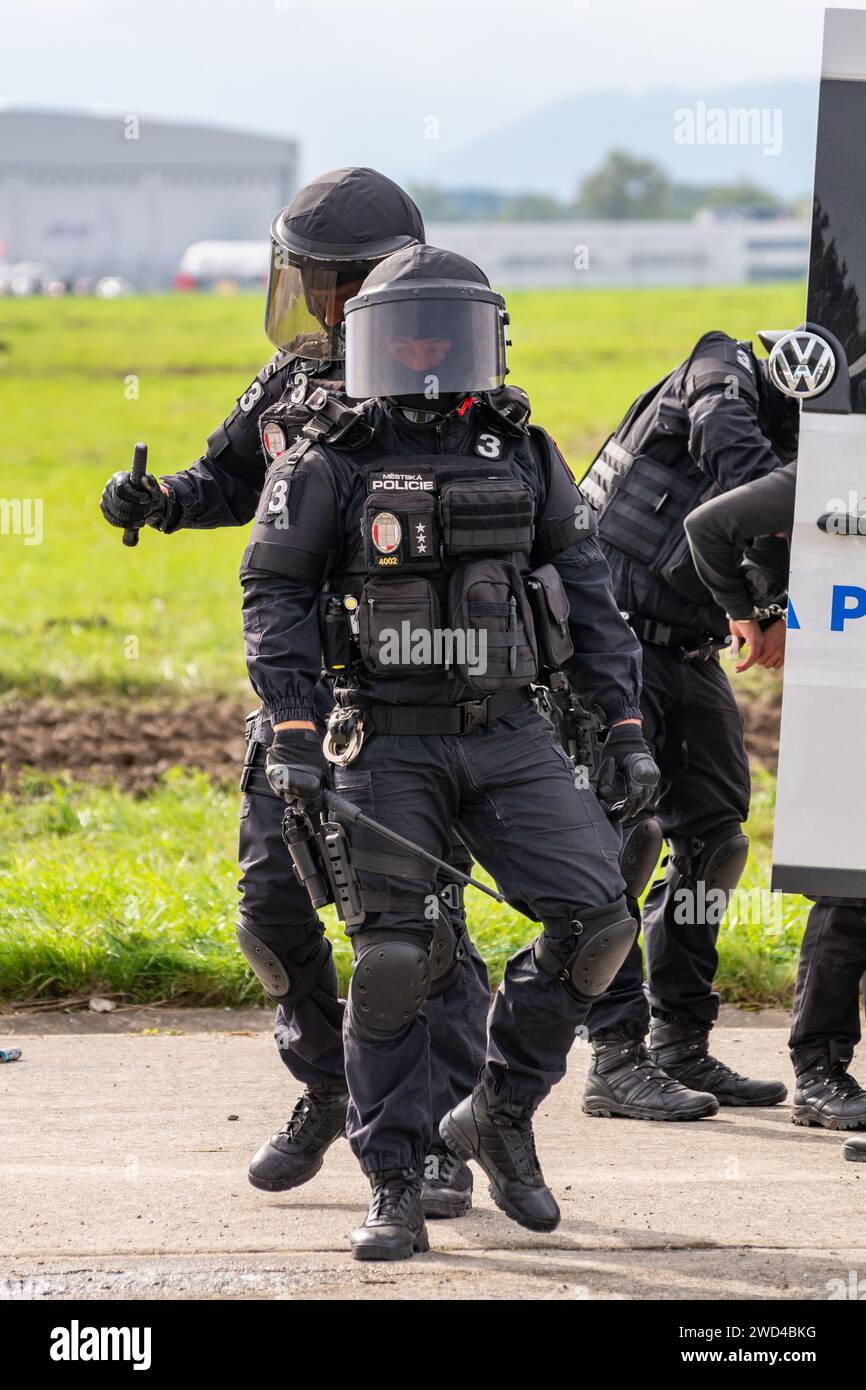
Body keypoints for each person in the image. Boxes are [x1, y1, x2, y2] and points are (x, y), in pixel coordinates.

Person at [242, 243, 660, 1260]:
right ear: (370, 344)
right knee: (394, 958)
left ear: (486, 341)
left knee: (599, 922)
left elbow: (589, 597)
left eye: (449, 334)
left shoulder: (521, 451)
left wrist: (622, 729)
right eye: (409, 335)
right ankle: (392, 1178)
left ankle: (500, 1112)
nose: (429, 356)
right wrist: (293, 728)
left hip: (508, 730)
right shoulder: (327, 455)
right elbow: (274, 594)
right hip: (382, 736)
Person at [98, 168, 495, 1218]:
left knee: (417, 928)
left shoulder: (438, 388)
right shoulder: (285, 383)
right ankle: (329, 1087)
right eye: (307, 283)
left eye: (337, 285)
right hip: (290, 699)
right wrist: (157, 499)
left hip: (404, 701)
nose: (318, 307)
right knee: (269, 914)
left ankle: (441, 1129)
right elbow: (226, 480)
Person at [577, 329, 796, 1120]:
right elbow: (734, 457)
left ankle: (680, 1042)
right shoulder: (722, 367)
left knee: (715, 838)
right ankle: (614, 1057)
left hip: (688, 650)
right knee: (621, 846)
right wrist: (766, 600)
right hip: (610, 645)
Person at [684, 452, 866, 1146]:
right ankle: (819, 1071)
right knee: (852, 888)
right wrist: (753, 614)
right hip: (850, 698)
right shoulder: (836, 461)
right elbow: (709, 526)